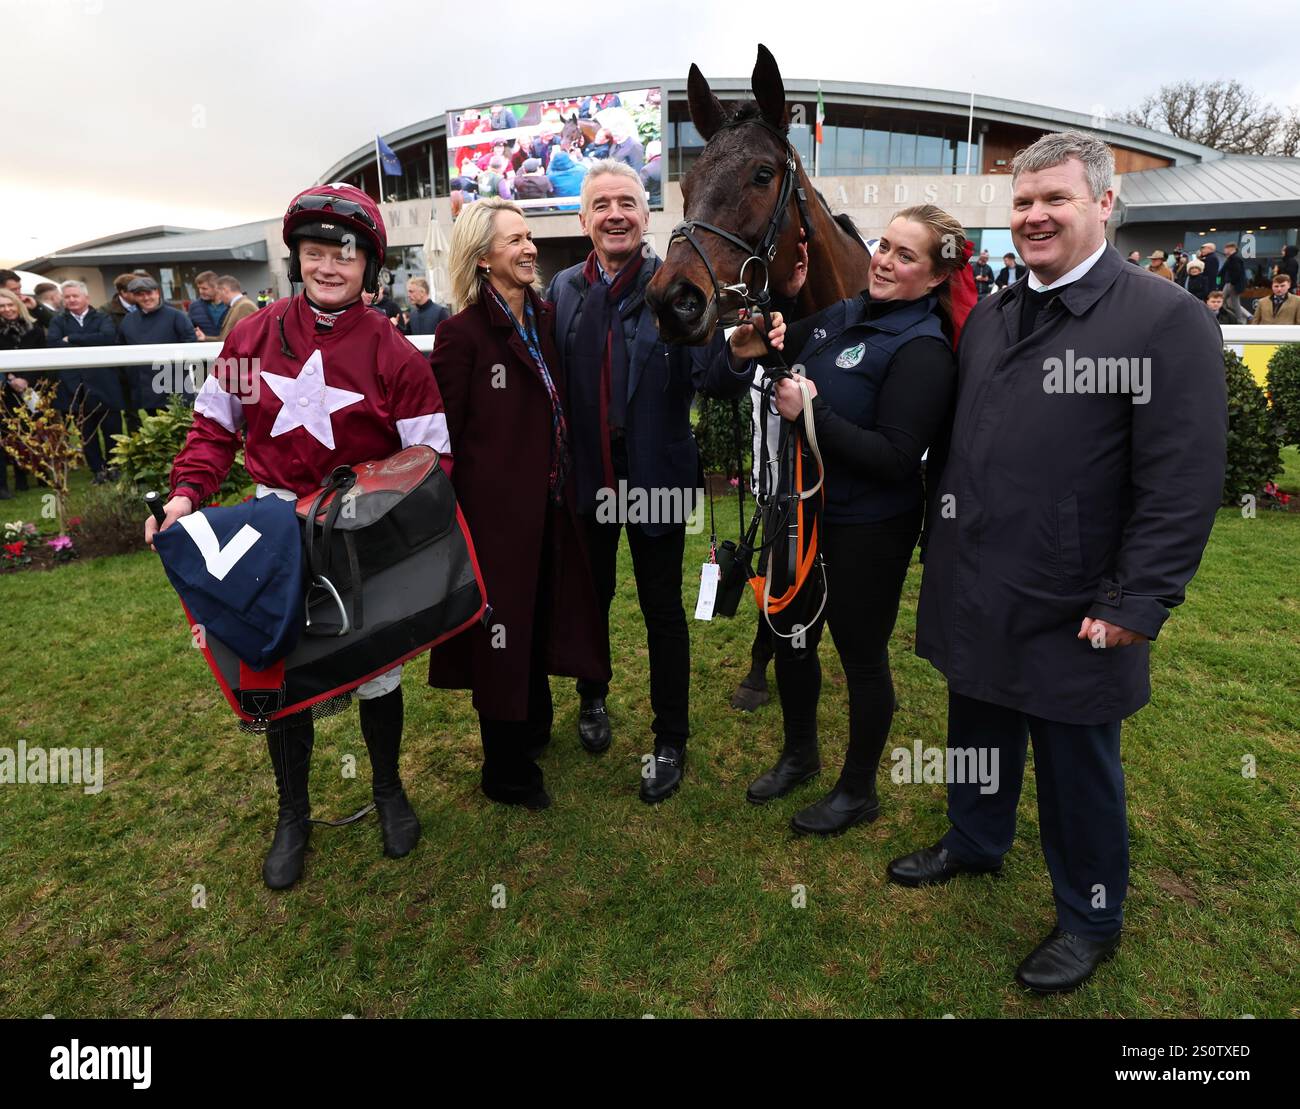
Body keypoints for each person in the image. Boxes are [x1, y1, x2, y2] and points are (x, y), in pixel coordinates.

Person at [894, 131, 1226, 994]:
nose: (1034, 216)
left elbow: (1182, 478)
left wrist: (1137, 597)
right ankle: (975, 838)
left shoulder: (1164, 318)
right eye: (1023, 202)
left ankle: (1090, 914)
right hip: (981, 576)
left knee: (1078, 763)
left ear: (1105, 206)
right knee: (978, 725)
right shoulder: (997, 312)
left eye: (1056, 199)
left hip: (1080, 595)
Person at [146, 183, 452, 889]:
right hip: (275, 525)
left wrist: (378, 511)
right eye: (315, 252)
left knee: (378, 667)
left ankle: (387, 788)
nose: (328, 266)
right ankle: (294, 813)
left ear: (367, 267)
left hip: (362, 527)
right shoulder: (250, 338)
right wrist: (188, 492)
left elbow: (433, 462)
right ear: (297, 259)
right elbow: (213, 429)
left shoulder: (398, 355)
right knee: (276, 665)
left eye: (344, 254)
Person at [725, 205, 973, 834]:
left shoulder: (924, 350)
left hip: (869, 528)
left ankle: (857, 790)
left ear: (938, 276)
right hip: (802, 513)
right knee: (793, 640)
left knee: (861, 658)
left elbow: (895, 459)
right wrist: (763, 335)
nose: (884, 260)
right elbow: (784, 343)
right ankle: (800, 755)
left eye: (905, 255)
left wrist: (811, 414)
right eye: (883, 245)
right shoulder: (847, 312)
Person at [547, 161, 746, 802]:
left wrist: (740, 349)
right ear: (584, 219)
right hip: (591, 474)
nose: (615, 214)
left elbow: (714, 379)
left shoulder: (678, 286)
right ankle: (593, 696)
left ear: (646, 215)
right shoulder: (563, 292)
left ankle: (670, 739)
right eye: (601, 203)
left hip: (656, 473)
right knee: (594, 594)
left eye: (627, 203)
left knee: (662, 609)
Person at [427, 197, 609, 811]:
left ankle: (532, 731)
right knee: (499, 640)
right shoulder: (461, 336)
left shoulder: (545, 317)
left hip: (550, 509)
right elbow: (445, 436)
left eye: (530, 238)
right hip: (494, 520)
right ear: (483, 259)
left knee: (537, 622)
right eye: (514, 241)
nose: (529, 248)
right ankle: (504, 771)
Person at [45, 280, 122, 482]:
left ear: (86, 298)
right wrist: (87, 338)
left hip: (105, 384)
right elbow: (53, 344)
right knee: (87, 434)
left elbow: (106, 338)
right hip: (75, 385)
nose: (71, 299)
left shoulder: (102, 317)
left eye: (75, 296)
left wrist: (71, 339)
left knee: (112, 430)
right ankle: (98, 471)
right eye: (67, 296)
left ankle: (115, 468)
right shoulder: (58, 321)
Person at [120, 275, 195, 415]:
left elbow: (190, 343)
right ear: (134, 297)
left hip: (175, 384)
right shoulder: (128, 320)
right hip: (146, 387)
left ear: (157, 293)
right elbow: (122, 349)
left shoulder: (176, 316)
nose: (146, 298)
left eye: (149, 293)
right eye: (140, 294)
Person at [0, 288, 46, 499]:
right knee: (12, 434)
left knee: (37, 431)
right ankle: (19, 478)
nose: (7, 309)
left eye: (10, 304)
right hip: (7, 391)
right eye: (2, 306)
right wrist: (11, 379)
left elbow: (42, 357)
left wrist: (28, 380)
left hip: (33, 387)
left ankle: (42, 473)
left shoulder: (34, 328)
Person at [215, 276, 258, 340]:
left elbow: (249, 338)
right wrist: (205, 338)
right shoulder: (238, 306)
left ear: (225, 290)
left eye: (218, 293)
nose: (218, 298)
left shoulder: (245, 306)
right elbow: (225, 337)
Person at [188, 271, 228, 340]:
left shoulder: (230, 305)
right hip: (204, 348)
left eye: (204, 288)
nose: (200, 291)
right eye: (199, 288)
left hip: (229, 347)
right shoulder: (194, 306)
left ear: (216, 287)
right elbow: (189, 330)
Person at [1219, 242, 1249, 323]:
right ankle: (1243, 317)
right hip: (1229, 284)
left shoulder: (1235, 259)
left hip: (1232, 284)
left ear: (1231, 249)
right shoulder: (1230, 259)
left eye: (1226, 248)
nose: (1224, 250)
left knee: (1234, 303)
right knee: (1223, 301)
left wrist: (1232, 282)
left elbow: (1236, 272)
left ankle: (1241, 320)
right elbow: (1221, 273)